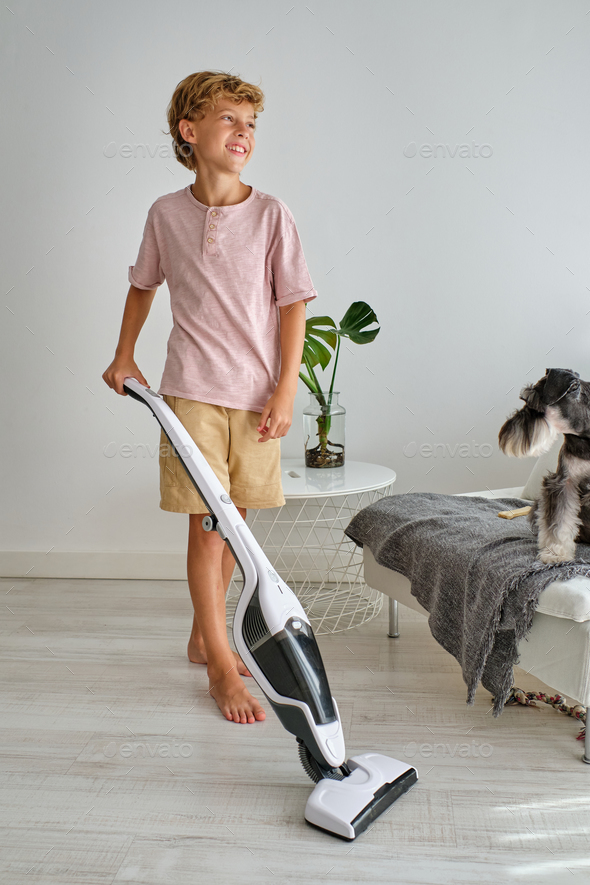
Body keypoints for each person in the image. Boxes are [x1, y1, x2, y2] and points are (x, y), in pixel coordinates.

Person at [102, 71, 317, 725]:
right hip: (191, 391)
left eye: (252, 122)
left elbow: (294, 305)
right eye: (230, 119)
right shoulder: (165, 215)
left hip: (254, 400)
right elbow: (143, 285)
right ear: (189, 131)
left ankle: (206, 633)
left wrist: (285, 388)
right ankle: (222, 664)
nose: (244, 132)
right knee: (207, 528)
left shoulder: (272, 213)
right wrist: (124, 353)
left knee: (239, 531)